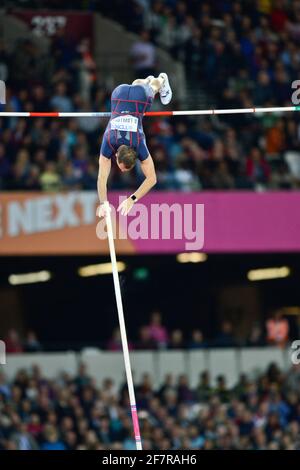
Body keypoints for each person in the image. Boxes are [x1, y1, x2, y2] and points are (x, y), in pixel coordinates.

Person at [97, 73, 172, 217]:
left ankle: (154, 80)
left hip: (125, 94)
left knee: (146, 86)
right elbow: (152, 179)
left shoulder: (138, 144)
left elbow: (152, 179)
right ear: (117, 155)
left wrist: (104, 203)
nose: (123, 171)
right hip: (122, 95)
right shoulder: (110, 142)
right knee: (147, 86)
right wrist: (131, 199)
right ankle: (155, 80)